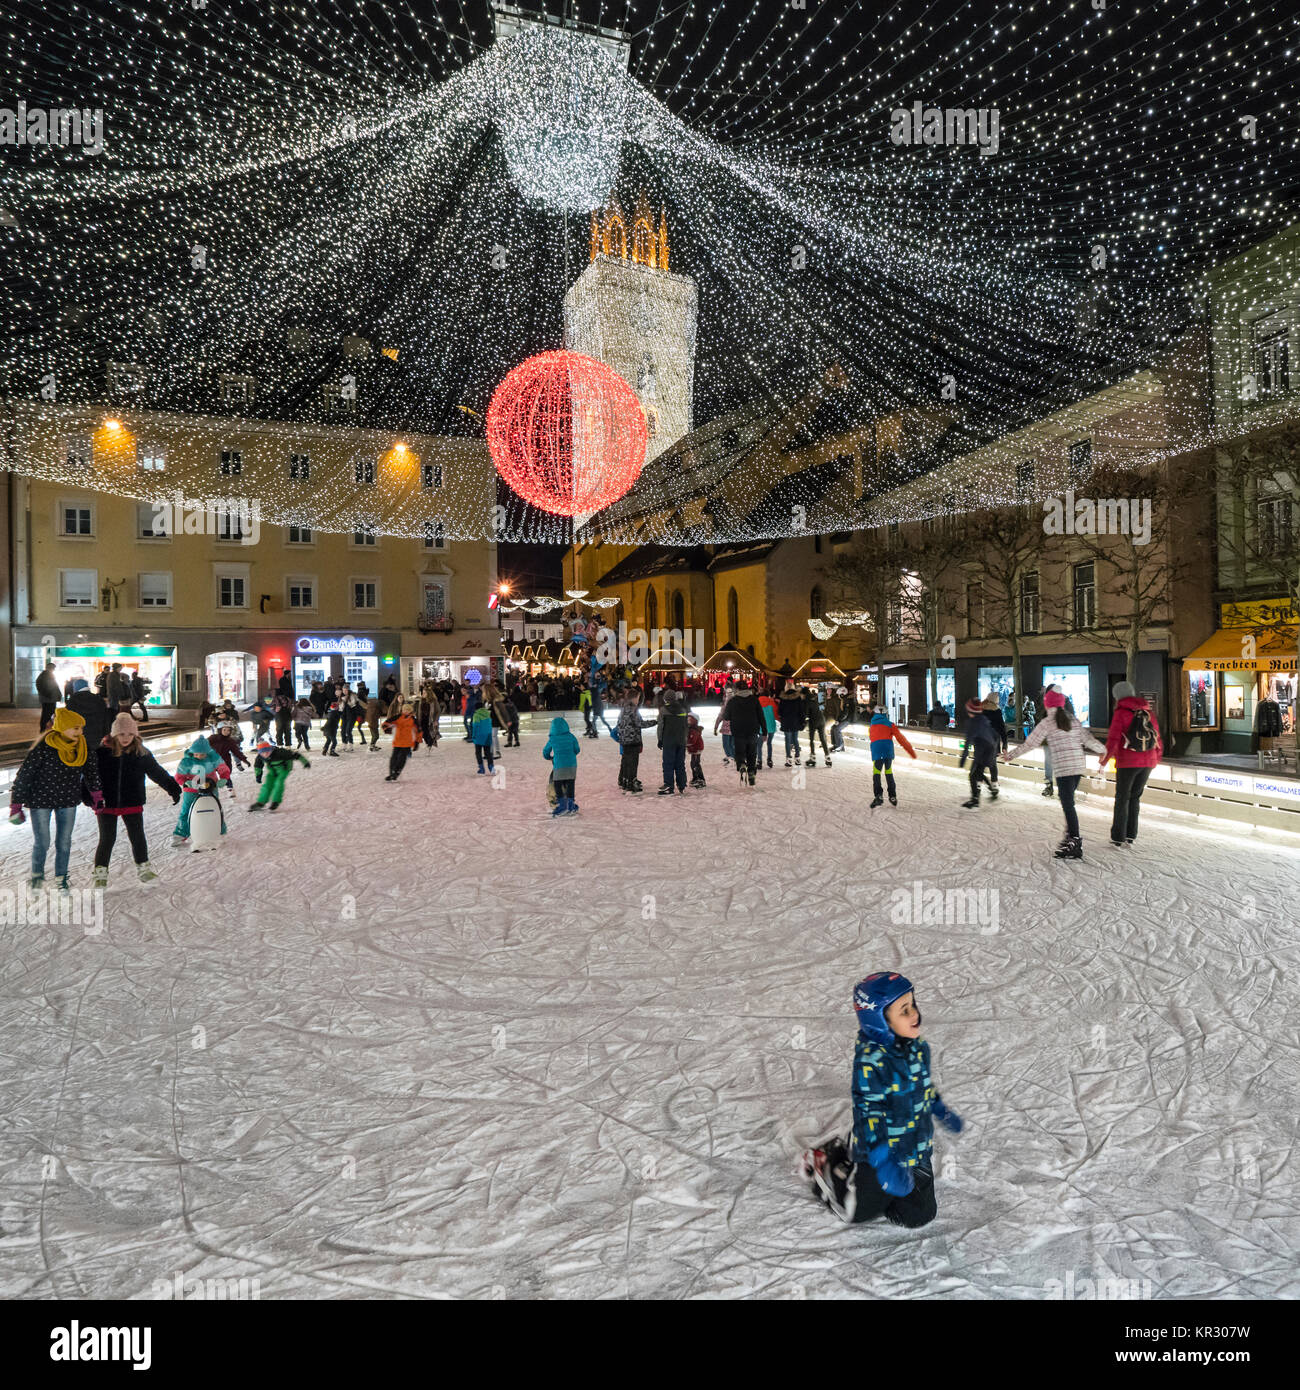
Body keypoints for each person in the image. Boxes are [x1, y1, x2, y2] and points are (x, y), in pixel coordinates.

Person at [801, 972, 963, 1229]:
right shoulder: (871, 1063)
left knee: (918, 1217)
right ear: (879, 1021)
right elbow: (870, 1112)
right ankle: (829, 1161)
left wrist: (941, 1110)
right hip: (880, 1152)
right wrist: (884, 1162)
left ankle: (882, 1190)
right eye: (904, 1010)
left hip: (915, 1147)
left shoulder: (917, 1048)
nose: (915, 1015)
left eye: (913, 1005)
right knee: (854, 1212)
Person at [1005, 688, 1106, 859]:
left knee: (1068, 805)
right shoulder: (1071, 719)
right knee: (1068, 803)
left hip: (1064, 769)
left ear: (1047, 704)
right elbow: (1087, 739)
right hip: (1077, 768)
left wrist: (1011, 755)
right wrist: (1103, 749)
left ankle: (1074, 840)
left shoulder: (1047, 722)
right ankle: (1070, 837)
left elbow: (1030, 743)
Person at [9, 707, 103, 891]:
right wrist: (16, 804)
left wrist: (97, 796)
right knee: (42, 841)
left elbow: (92, 774)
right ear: (63, 727)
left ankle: (61, 877)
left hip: (68, 801)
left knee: (64, 842)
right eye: (75, 728)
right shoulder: (43, 748)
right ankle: (37, 874)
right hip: (40, 801)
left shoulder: (83, 749)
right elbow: (24, 775)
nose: (80, 732)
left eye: (81, 728)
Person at [92, 713, 182, 884]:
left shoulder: (141, 754)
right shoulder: (101, 753)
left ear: (135, 735)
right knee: (107, 838)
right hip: (106, 802)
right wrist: (89, 797)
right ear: (114, 734)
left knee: (137, 836)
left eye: (130, 734)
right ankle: (100, 875)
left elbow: (157, 772)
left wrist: (172, 788)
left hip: (132, 801)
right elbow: (89, 777)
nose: (126, 738)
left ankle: (144, 869)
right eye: (122, 734)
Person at [1100, 680, 1163, 847]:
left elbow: (1113, 740)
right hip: (1147, 762)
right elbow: (1157, 737)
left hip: (1128, 762)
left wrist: (1104, 761)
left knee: (1122, 798)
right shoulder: (1148, 711)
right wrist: (1156, 758)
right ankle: (1130, 835)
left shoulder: (1121, 713)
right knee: (1135, 798)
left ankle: (1118, 837)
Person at [172, 735, 229, 844]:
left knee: (216, 808)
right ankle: (180, 834)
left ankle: (219, 831)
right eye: (196, 754)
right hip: (191, 790)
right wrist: (185, 783)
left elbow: (222, 767)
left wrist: (224, 778)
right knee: (187, 810)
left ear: (207, 752)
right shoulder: (186, 761)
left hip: (211, 787)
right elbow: (179, 776)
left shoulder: (213, 757)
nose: (198, 756)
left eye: (202, 754)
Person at [866, 710, 916, 808]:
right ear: (885, 714)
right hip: (888, 752)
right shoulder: (890, 724)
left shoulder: (871, 726)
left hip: (877, 752)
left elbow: (872, 739)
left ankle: (878, 796)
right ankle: (892, 796)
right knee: (888, 772)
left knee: (876, 773)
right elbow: (901, 738)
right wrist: (911, 752)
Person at [959, 697, 1000, 808]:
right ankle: (991, 790)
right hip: (990, 749)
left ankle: (975, 799)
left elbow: (967, 742)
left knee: (973, 775)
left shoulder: (972, 723)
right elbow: (995, 735)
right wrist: (995, 749)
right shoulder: (983, 719)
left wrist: (963, 758)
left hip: (982, 750)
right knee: (978, 773)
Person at [249, 738, 310, 811]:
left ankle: (276, 801)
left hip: (284, 768)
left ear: (270, 749)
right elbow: (258, 766)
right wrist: (258, 775)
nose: (265, 754)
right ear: (259, 753)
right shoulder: (260, 757)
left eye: (267, 752)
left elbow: (296, 755)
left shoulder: (280, 753)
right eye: (263, 753)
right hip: (272, 770)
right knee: (267, 784)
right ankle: (261, 802)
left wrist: (305, 762)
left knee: (279, 783)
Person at [725, 681, 764, 787]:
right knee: (752, 753)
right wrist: (764, 732)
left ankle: (741, 764)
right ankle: (751, 773)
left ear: (737, 689)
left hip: (738, 731)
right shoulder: (754, 700)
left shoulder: (732, 701)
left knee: (739, 751)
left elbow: (726, 716)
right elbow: (761, 716)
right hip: (752, 730)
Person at [615, 689, 654, 793]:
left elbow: (619, 724)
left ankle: (625, 780)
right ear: (634, 698)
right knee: (633, 762)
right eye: (638, 698)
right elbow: (640, 723)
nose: (638, 700)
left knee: (627, 761)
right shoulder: (633, 709)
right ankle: (632, 783)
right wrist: (654, 722)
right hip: (633, 740)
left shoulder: (623, 708)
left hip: (625, 740)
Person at [542, 716, 581, 815]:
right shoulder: (571, 736)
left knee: (558, 785)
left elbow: (546, 751)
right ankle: (571, 805)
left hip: (559, 766)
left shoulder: (553, 738)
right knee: (570, 785)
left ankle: (562, 805)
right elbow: (577, 749)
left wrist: (549, 757)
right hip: (572, 765)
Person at [657, 689, 689, 794]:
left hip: (668, 740)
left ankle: (669, 785)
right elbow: (686, 726)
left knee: (668, 763)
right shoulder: (683, 710)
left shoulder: (663, 710)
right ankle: (682, 784)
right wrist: (685, 739)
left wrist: (660, 739)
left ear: (666, 699)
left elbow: (660, 726)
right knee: (680, 763)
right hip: (681, 741)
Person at [382, 700, 421, 782]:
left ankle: (396, 773)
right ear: (402, 710)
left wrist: (417, 742)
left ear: (410, 711)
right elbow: (386, 722)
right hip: (398, 741)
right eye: (404, 710)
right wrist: (386, 729)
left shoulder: (413, 720)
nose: (406, 711)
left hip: (407, 743)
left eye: (407, 710)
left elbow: (419, 731)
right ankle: (392, 773)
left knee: (401, 759)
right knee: (393, 758)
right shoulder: (398, 717)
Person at [208, 720, 250, 790]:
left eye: (228, 730)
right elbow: (202, 745)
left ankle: (230, 788)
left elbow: (236, 752)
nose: (227, 732)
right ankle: (209, 788)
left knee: (226, 775)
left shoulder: (230, 741)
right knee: (209, 775)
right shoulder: (213, 738)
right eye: (224, 730)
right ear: (220, 730)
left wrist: (244, 759)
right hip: (212, 760)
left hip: (225, 761)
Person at [778, 684, 805, 767]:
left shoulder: (783, 697)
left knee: (788, 740)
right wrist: (802, 721)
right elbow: (801, 711)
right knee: (795, 739)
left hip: (786, 722)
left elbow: (780, 711)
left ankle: (789, 759)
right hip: (795, 721)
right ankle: (797, 758)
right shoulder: (798, 697)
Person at [804, 687, 832, 767]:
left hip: (814, 721)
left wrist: (804, 722)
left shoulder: (807, 702)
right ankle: (828, 757)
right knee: (823, 739)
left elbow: (806, 714)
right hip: (822, 720)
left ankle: (812, 757)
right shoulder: (816, 700)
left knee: (812, 739)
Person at [713, 681, 736, 768]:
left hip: (727, 725)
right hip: (735, 726)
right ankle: (733, 757)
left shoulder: (726, 702)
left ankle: (730, 758)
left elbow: (721, 715)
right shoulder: (736, 701)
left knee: (726, 743)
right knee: (732, 743)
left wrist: (716, 727)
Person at [470, 700, 496, 775]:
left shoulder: (476, 715)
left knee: (478, 752)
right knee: (488, 752)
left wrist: (473, 735)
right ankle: (491, 768)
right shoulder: (488, 713)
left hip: (479, 735)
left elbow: (475, 726)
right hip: (488, 735)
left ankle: (481, 768)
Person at [36, 659, 61, 731]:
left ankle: (46, 728)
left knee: (48, 714)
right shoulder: (45, 675)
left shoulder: (46, 675)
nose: (54, 670)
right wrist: (49, 694)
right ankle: (44, 728)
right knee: (47, 714)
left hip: (50, 698)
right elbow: (41, 686)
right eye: (53, 668)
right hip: (48, 699)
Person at [758, 688, 779, 765]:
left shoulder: (757, 701)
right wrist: (781, 721)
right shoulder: (772, 702)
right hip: (771, 726)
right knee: (769, 743)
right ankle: (769, 759)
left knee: (759, 745)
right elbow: (776, 714)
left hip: (761, 727)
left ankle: (759, 761)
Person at [687, 714, 706, 788]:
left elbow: (692, 741)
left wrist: (684, 743)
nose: (688, 720)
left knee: (695, 764)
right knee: (693, 764)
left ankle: (700, 779)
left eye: (690, 719)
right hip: (694, 749)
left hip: (696, 749)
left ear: (695, 721)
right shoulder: (691, 728)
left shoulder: (694, 730)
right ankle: (695, 778)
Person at [824, 686, 845, 754]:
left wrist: (837, 719)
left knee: (832, 728)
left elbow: (837, 710)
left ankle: (838, 745)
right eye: (827, 689)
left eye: (830, 689)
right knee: (832, 729)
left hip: (833, 717)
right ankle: (835, 744)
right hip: (828, 716)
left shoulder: (835, 699)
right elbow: (825, 709)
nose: (828, 691)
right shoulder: (826, 698)